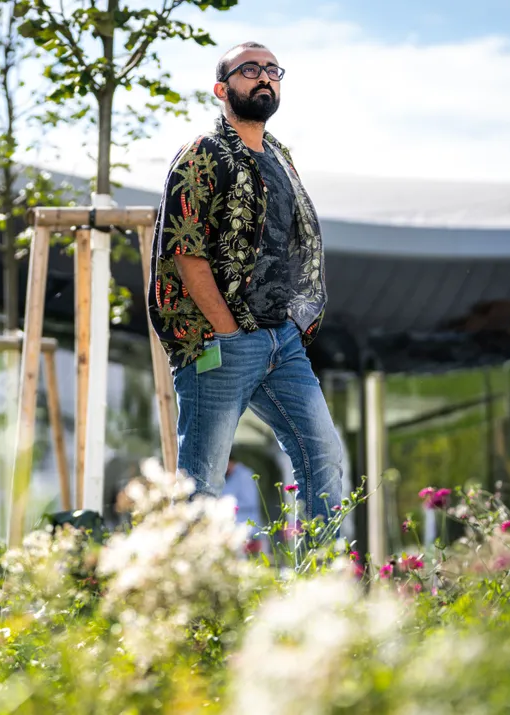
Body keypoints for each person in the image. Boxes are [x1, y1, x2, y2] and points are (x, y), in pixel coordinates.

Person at [146, 41, 344, 524]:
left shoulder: (280, 158)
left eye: (272, 70)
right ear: (222, 88)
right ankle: (193, 594)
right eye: (249, 69)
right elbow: (185, 252)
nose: (264, 77)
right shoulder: (202, 155)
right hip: (222, 339)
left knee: (325, 463)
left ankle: (321, 589)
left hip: (283, 340)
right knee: (202, 486)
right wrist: (228, 331)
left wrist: (293, 324)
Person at [222, 457, 267, 553]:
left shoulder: (244, 475)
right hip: (235, 526)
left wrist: (224, 505)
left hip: (247, 525)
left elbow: (250, 501)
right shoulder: (231, 476)